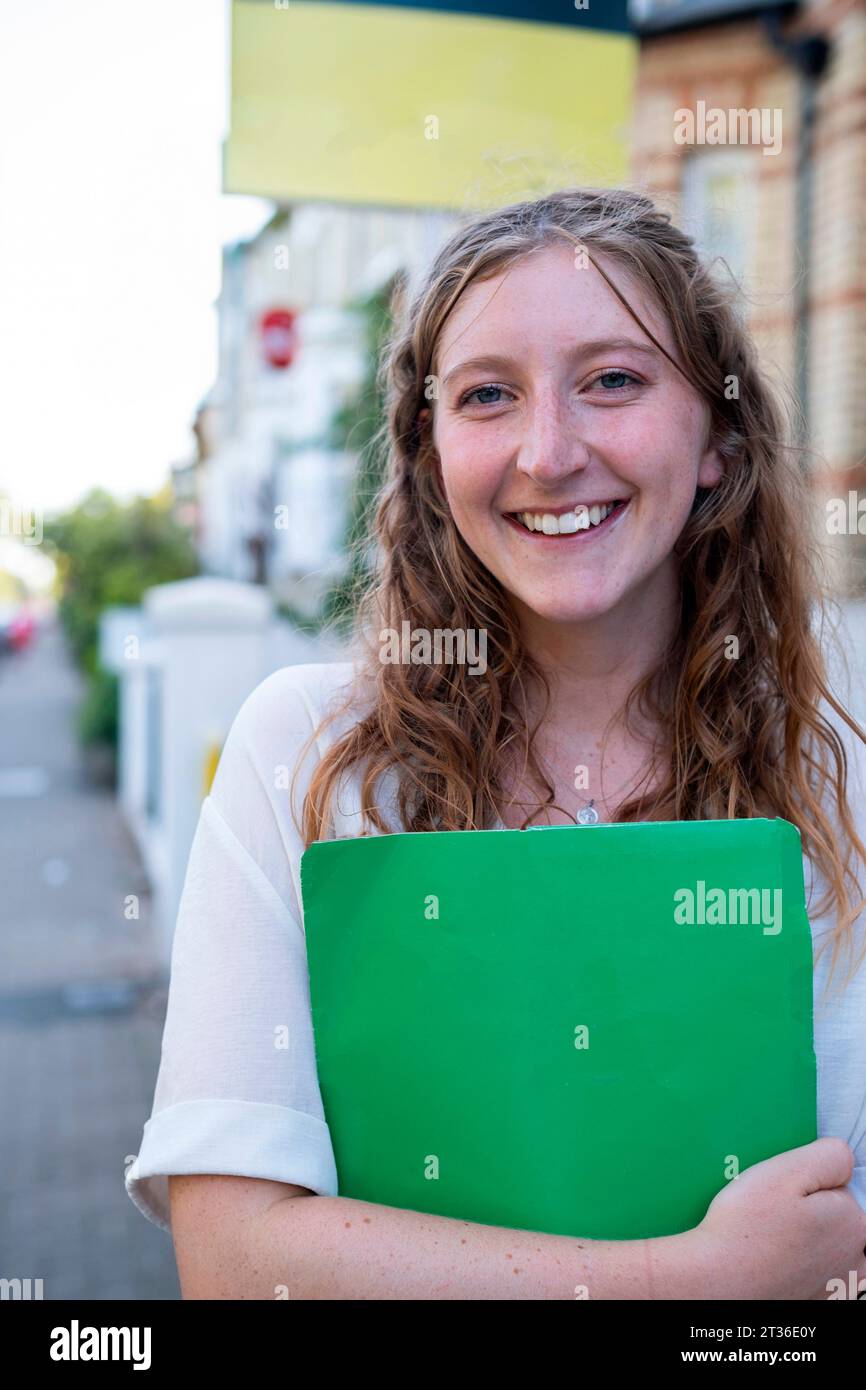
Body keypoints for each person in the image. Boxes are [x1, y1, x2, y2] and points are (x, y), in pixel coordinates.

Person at [125, 187, 866, 1299]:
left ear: (714, 435)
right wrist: (687, 1280)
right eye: (486, 396)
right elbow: (232, 1262)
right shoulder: (310, 757)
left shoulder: (839, 775)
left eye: (612, 379)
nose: (547, 450)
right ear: (427, 457)